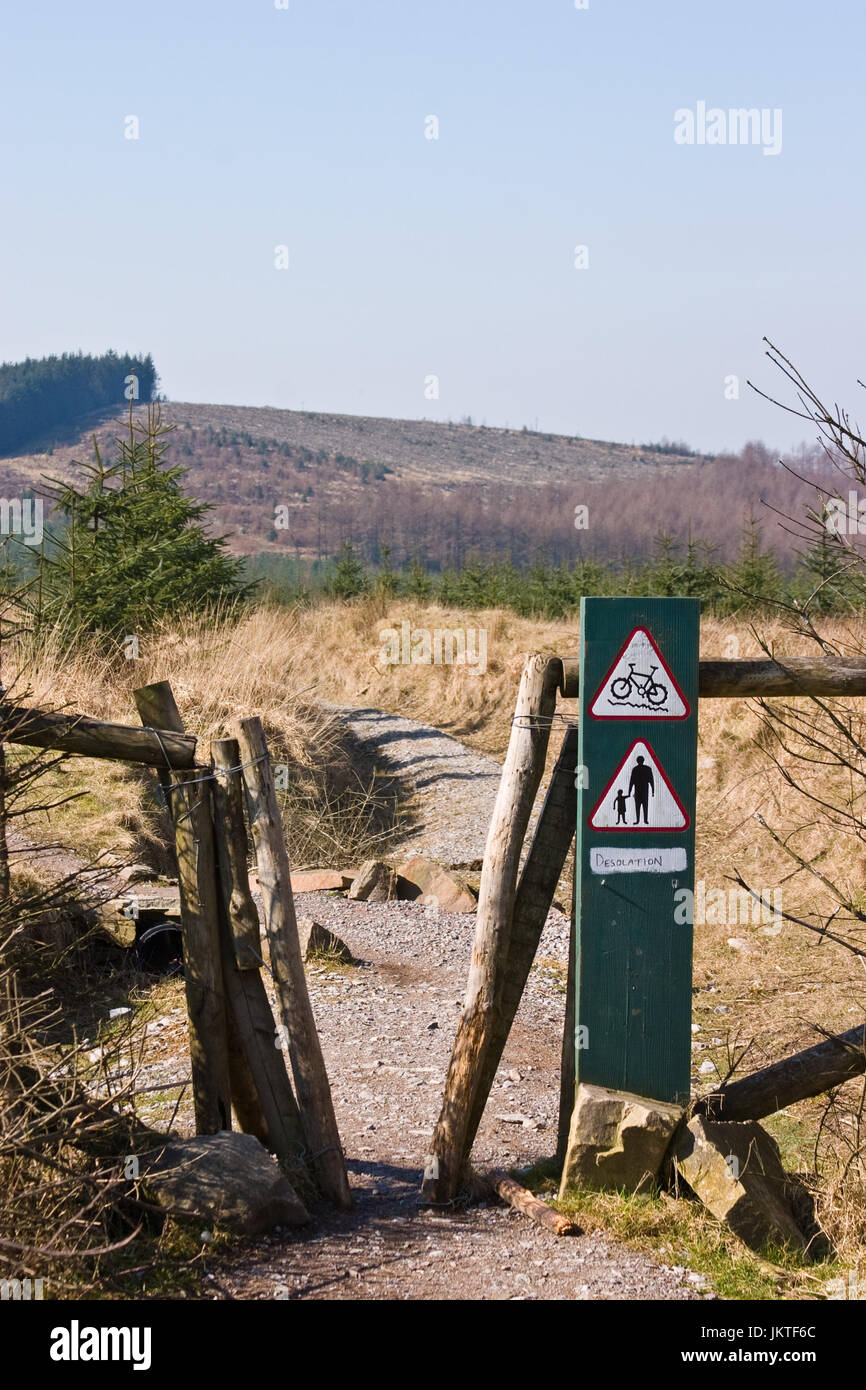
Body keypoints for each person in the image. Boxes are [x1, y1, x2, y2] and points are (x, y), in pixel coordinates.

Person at [628, 754, 654, 824]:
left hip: (638, 790)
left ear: (637, 761)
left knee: (638, 806)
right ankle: (645, 820)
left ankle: (639, 820)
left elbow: (631, 782)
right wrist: (652, 791)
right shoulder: (647, 769)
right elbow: (651, 781)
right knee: (644, 806)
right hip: (644, 790)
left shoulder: (635, 769)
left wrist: (629, 792)